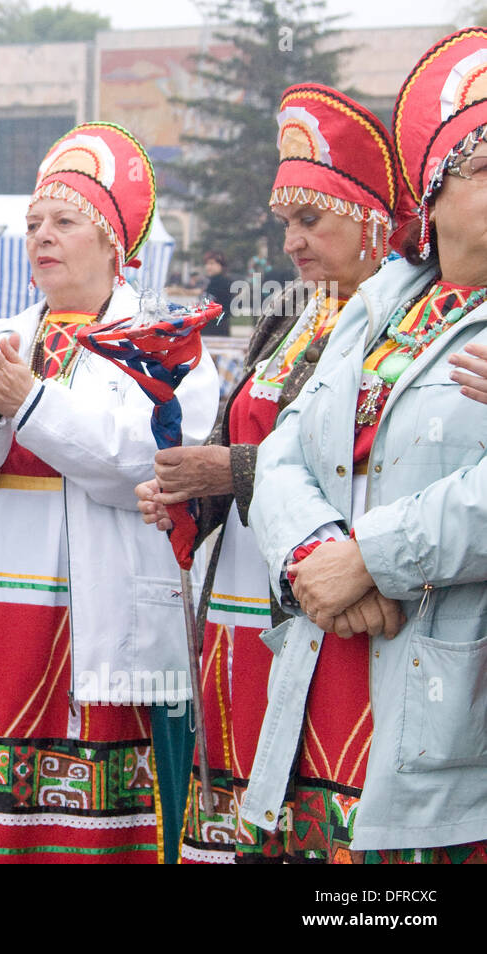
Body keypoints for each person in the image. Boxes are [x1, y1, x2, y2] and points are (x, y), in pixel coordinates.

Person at [0, 122, 219, 863]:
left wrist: (28, 403)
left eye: (64, 222)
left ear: (114, 242)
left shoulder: (166, 343)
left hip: (101, 613)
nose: (42, 236)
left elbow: (144, 464)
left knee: (99, 827)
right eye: (33, 224)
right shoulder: (2, 336)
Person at [135, 85, 402, 863]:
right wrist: (190, 495)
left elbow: (365, 458)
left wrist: (232, 470)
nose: (291, 241)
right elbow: (237, 431)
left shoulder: (402, 326)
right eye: (286, 223)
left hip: (335, 601)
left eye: (310, 220)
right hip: (241, 601)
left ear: (371, 219)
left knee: (321, 811)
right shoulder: (293, 310)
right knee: (242, 809)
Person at [242, 27, 487, 862]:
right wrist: (317, 555)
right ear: (433, 193)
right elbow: (285, 451)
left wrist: (371, 559)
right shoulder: (384, 303)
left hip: (445, 677)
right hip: (333, 655)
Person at [199, 251, 234, 336]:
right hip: (205, 329)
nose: (208, 267)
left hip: (217, 331)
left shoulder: (225, 283)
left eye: (212, 264)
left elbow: (227, 309)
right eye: (207, 264)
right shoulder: (209, 282)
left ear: (221, 266)